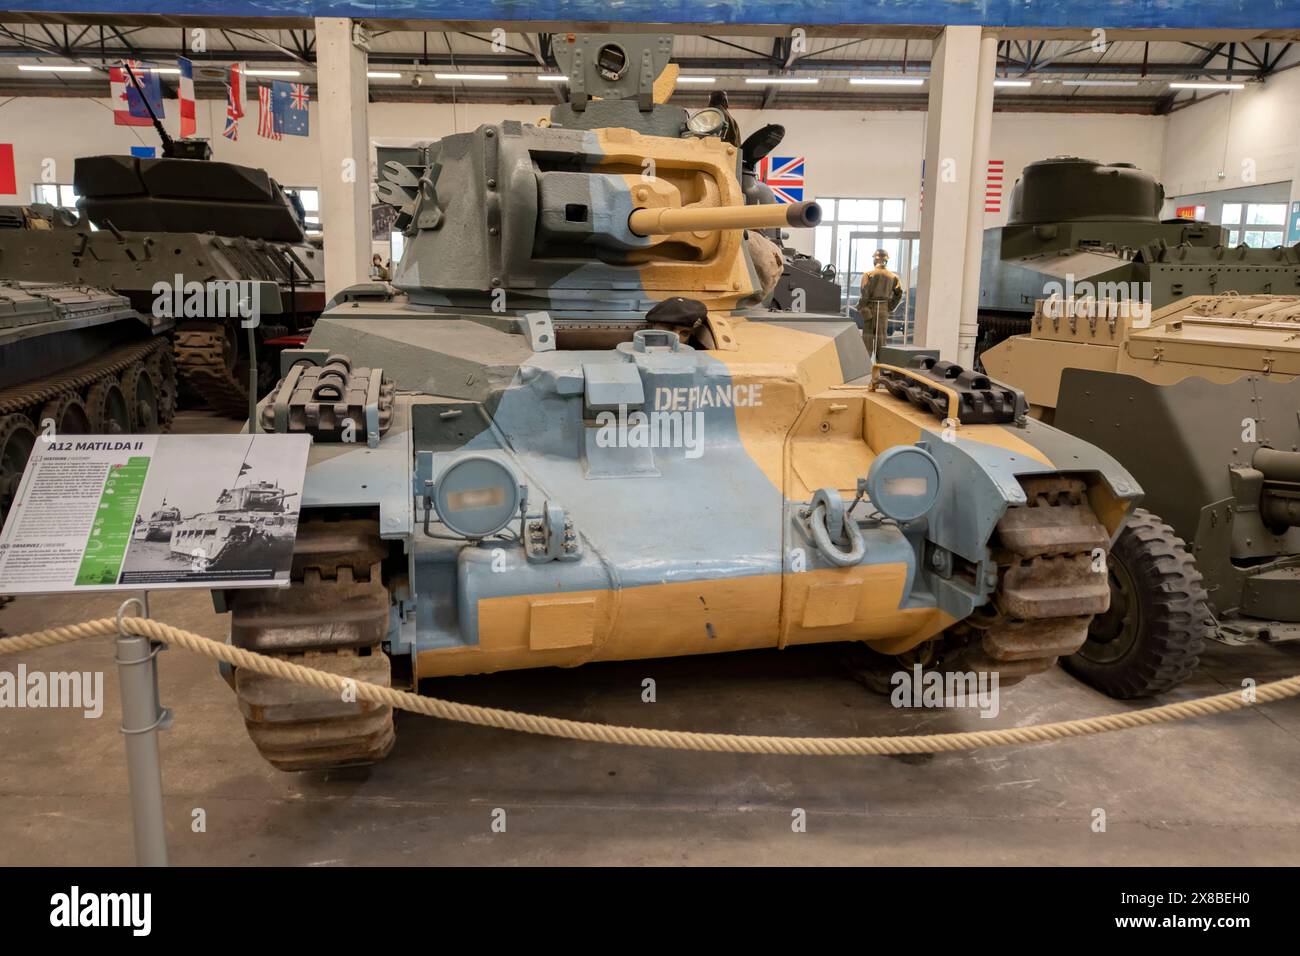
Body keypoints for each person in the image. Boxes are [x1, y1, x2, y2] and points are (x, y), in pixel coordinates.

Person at [857, 249, 903, 358]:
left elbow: (864, 295)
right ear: (886, 261)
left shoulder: (868, 275)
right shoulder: (893, 277)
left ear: (875, 260)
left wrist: (862, 308)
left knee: (867, 343)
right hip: (883, 310)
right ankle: (881, 370)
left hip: (870, 309)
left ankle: (865, 371)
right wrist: (889, 307)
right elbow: (898, 294)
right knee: (881, 342)